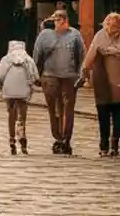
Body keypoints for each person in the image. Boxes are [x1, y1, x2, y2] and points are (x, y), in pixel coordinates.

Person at [33, 9, 87, 155]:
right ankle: (58, 136)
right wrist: (36, 75)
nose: (56, 22)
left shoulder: (75, 34)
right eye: (55, 20)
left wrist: (82, 74)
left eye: (58, 19)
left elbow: (82, 55)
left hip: (69, 77)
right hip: (50, 77)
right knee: (54, 108)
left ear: (64, 20)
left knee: (68, 108)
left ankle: (65, 138)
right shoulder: (44, 35)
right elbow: (37, 55)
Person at [82, 12, 120, 157]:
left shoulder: (100, 37)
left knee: (104, 116)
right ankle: (114, 144)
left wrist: (85, 71)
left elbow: (89, 58)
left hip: (103, 84)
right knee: (118, 116)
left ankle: (104, 145)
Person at [0, 40, 40, 155]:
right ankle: (22, 133)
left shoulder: (6, 59)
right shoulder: (28, 59)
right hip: (23, 90)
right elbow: (35, 76)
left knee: (11, 113)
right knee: (22, 115)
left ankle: (12, 139)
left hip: (9, 90)